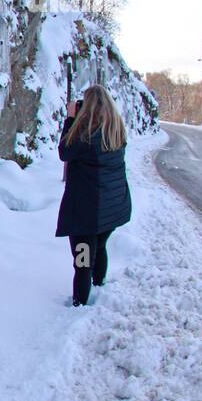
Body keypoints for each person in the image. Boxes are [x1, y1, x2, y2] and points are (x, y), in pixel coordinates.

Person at [56, 84, 132, 306]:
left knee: (82, 259)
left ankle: (80, 304)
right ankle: (99, 286)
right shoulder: (116, 131)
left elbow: (64, 151)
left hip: (87, 213)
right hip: (111, 209)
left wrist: (70, 119)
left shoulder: (87, 135)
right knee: (98, 248)